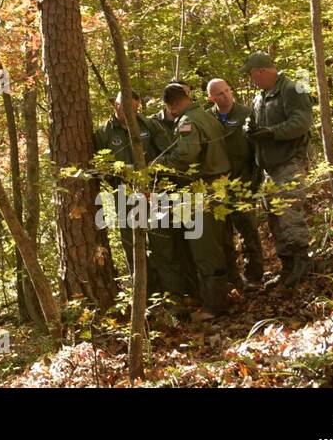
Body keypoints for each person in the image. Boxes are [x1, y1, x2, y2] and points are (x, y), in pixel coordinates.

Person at [149, 82, 233, 315]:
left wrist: (157, 165)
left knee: (205, 249)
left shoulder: (187, 122)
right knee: (213, 244)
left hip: (202, 189)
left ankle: (215, 306)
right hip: (217, 186)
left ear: (171, 105)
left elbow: (186, 155)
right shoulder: (207, 116)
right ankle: (213, 297)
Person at [245, 52, 313, 289]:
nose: (253, 80)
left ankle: (302, 263)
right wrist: (251, 129)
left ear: (263, 71)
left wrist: (272, 132)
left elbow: (302, 122)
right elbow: (256, 124)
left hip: (290, 162)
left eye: (253, 75)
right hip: (269, 167)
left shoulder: (293, 89)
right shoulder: (260, 98)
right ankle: (288, 267)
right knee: (275, 219)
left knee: (289, 213)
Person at [93, 90, 167, 282]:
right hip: (124, 194)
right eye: (125, 108)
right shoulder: (104, 132)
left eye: (134, 110)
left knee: (162, 242)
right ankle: (146, 296)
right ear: (115, 105)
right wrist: (119, 172)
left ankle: (171, 294)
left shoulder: (148, 125)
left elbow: (166, 152)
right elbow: (100, 167)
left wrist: (153, 170)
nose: (130, 114)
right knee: (133, 246)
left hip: (153, 191)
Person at [207, 78, 266, 287]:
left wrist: (255, 179)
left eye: (227, 90)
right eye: (220, 93)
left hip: (243, 182)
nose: (226, 95)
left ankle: (255, 276)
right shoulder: (207, 119)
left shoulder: (246, 114)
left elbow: (257, 149)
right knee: (223, 237)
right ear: (211, 98)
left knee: (248, 231)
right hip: (217, 188)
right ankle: (232, 279)